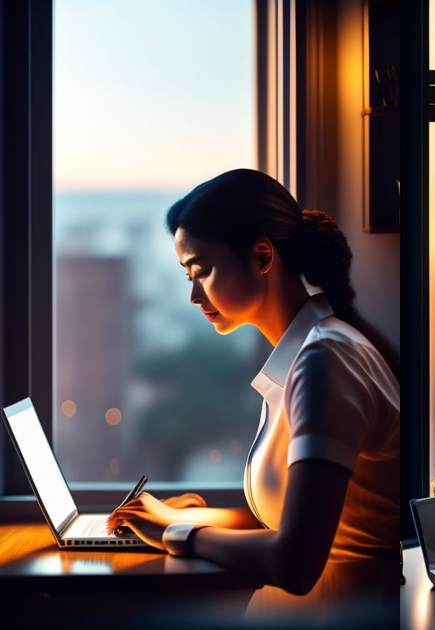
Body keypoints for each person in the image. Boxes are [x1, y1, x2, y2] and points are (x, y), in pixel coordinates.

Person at [108, 168, 405, 617]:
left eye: (201, 271)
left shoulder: (326, 361)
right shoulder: (314, 352)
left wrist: (178, 535)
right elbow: (292, 520)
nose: (193, 294)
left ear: (262, 256)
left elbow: (295, 561)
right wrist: (178, 519)